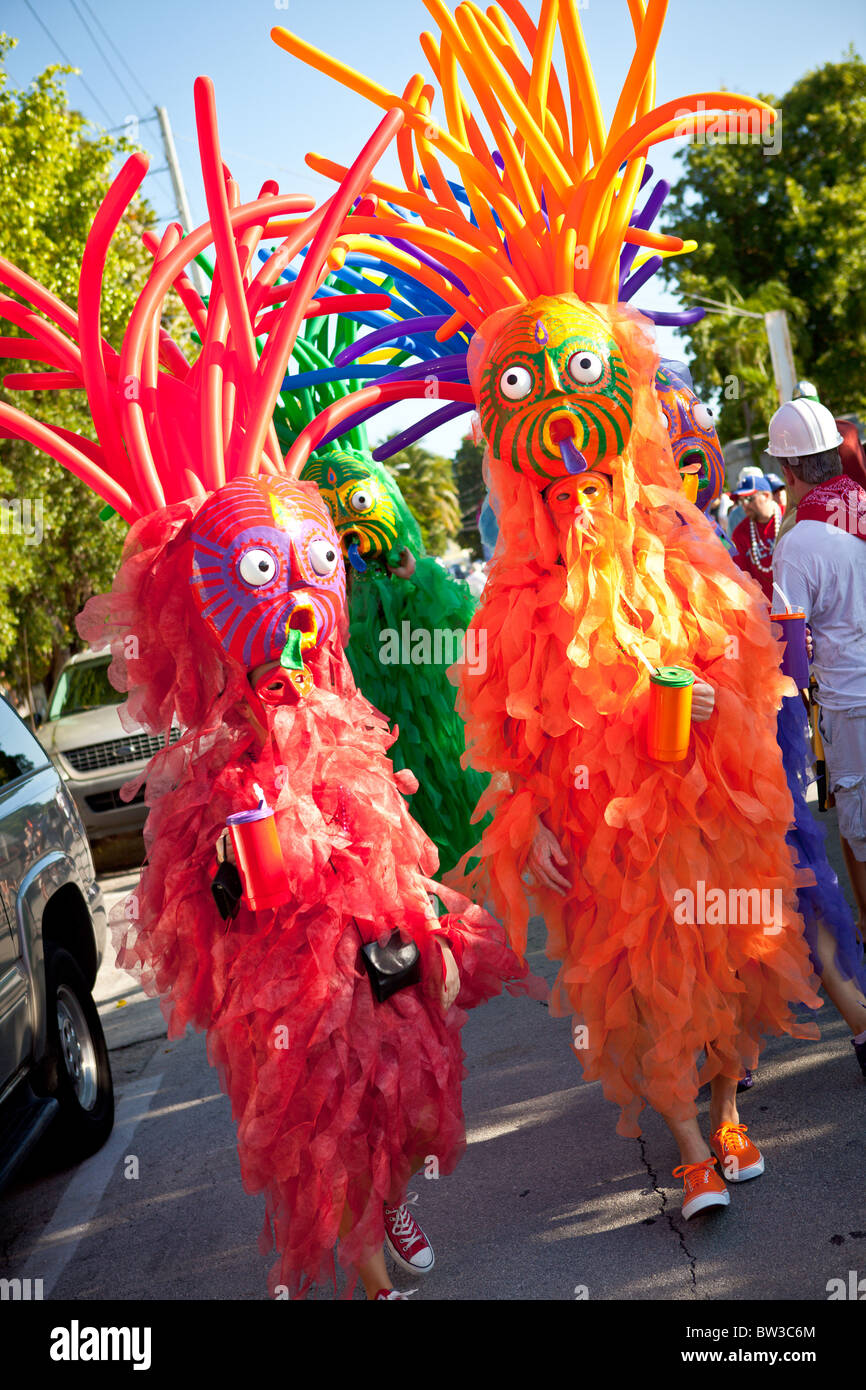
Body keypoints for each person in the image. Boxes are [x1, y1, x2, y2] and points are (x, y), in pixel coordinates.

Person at [770, 397, 866, 1076]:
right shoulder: (859, 506)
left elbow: (791, 652)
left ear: (786, 466)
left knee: (859, 834)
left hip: (852, 700)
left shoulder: (797, 540)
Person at [730, 470, 782, 603]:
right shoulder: (740, 533)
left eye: (748, 499)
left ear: (766, 495)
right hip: (768, 610)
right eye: (741, 501)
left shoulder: (788, 516)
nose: (745, 505)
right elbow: (743, 578)